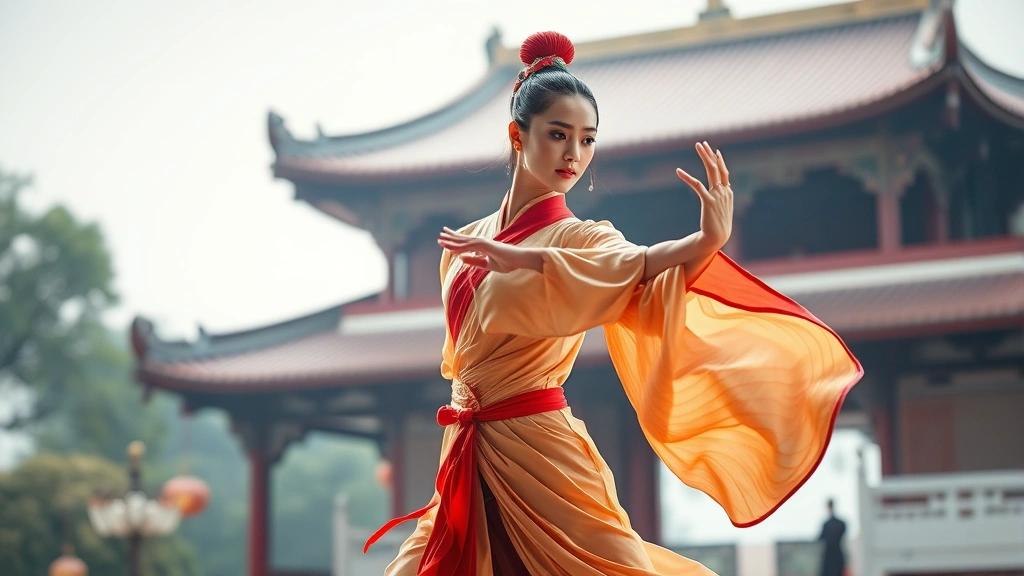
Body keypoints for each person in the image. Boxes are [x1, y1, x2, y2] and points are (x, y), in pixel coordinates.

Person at [364, 31, 863, 576]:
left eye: (587, 139)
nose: (574, 155)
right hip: (464, 445)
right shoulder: (463, 242)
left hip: (541, 450)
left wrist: (701, 244)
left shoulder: (584, 238)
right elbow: (462, 364)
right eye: (558, 135)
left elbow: (633, 264)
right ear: (517, 134)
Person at [819, 499, 847, 576]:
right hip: (837, 555)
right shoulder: (841, 523)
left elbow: (821, 539)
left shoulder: (826, 524)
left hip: (829, 556)